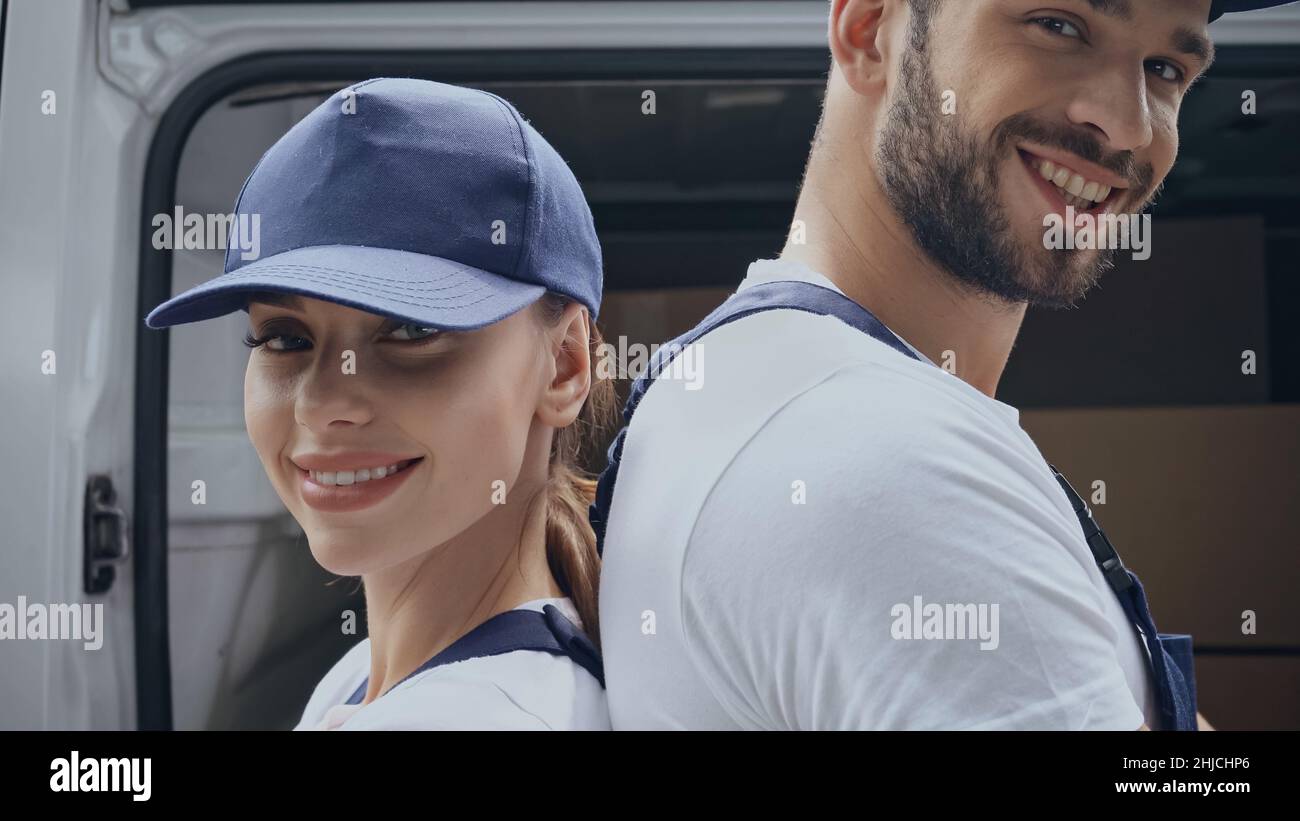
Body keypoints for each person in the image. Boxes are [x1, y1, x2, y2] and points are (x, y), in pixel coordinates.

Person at [592, 0, 1288, 730]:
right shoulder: (882, 460)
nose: (1129, 124)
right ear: (867, 32)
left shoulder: (767, 383)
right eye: (1060, 25)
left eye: (1164, 69)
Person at [146, 78, 614, 730]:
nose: (323, 403)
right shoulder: (370, 674)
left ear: (564, 367)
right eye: (285, 337)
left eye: (410, 330)